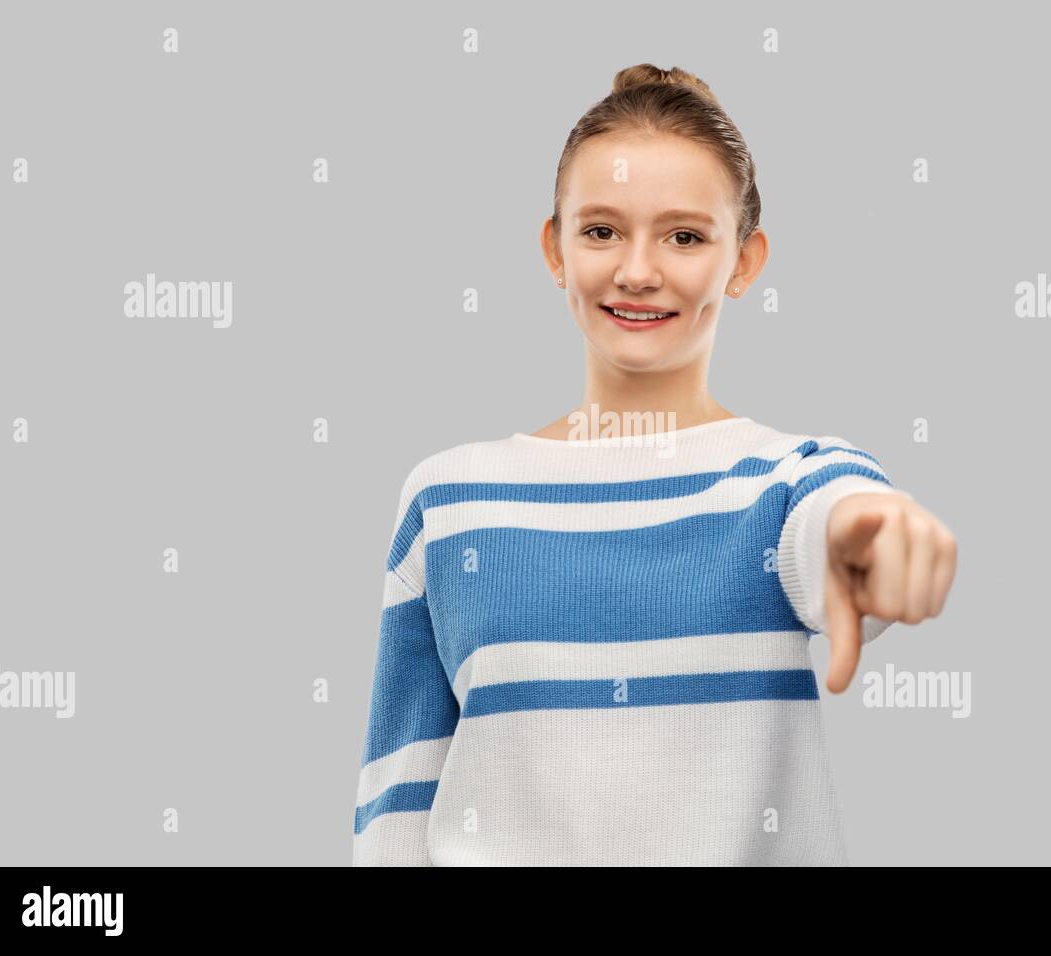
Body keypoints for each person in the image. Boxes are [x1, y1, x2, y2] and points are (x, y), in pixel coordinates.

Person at [353, 64, 957, 866]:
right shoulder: (450, 499)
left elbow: (842, 521)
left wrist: (871, 543)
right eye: (601, 230)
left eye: (685, 236)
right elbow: (396, 811)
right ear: (555, 248)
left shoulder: (786, 484)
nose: (638, 271)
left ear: (744, 261)